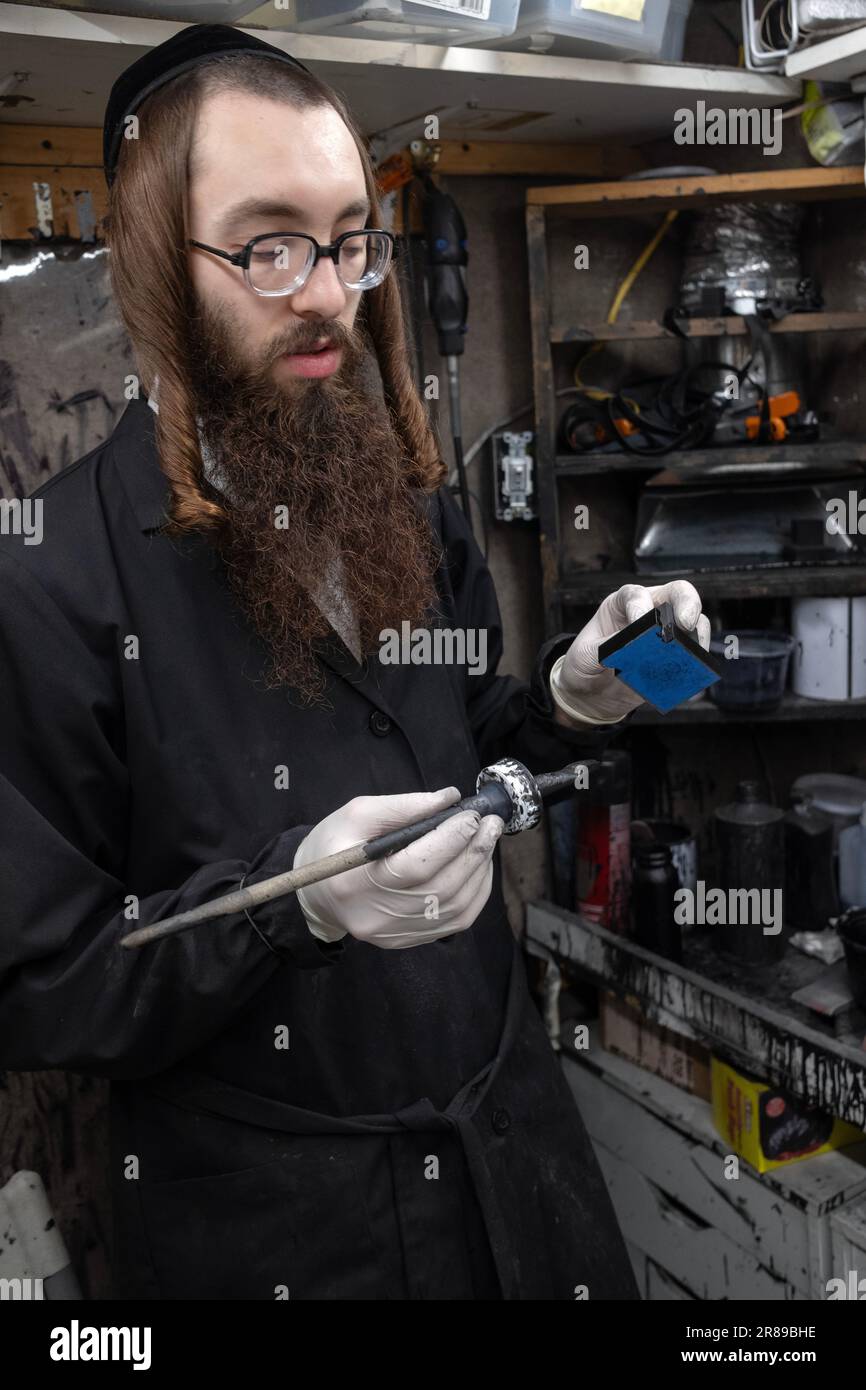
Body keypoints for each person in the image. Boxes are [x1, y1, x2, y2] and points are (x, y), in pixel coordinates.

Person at [0, 24, 708, 1301]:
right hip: (284, 1227)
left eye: (347, 239)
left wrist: (576, 697)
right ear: (154, 264)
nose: (327, 290)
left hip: (512, 1151)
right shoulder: (50, 582)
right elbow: (47, 988)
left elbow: (466, 750)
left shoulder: (402, 501)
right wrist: (299, 903)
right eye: (267, 245)